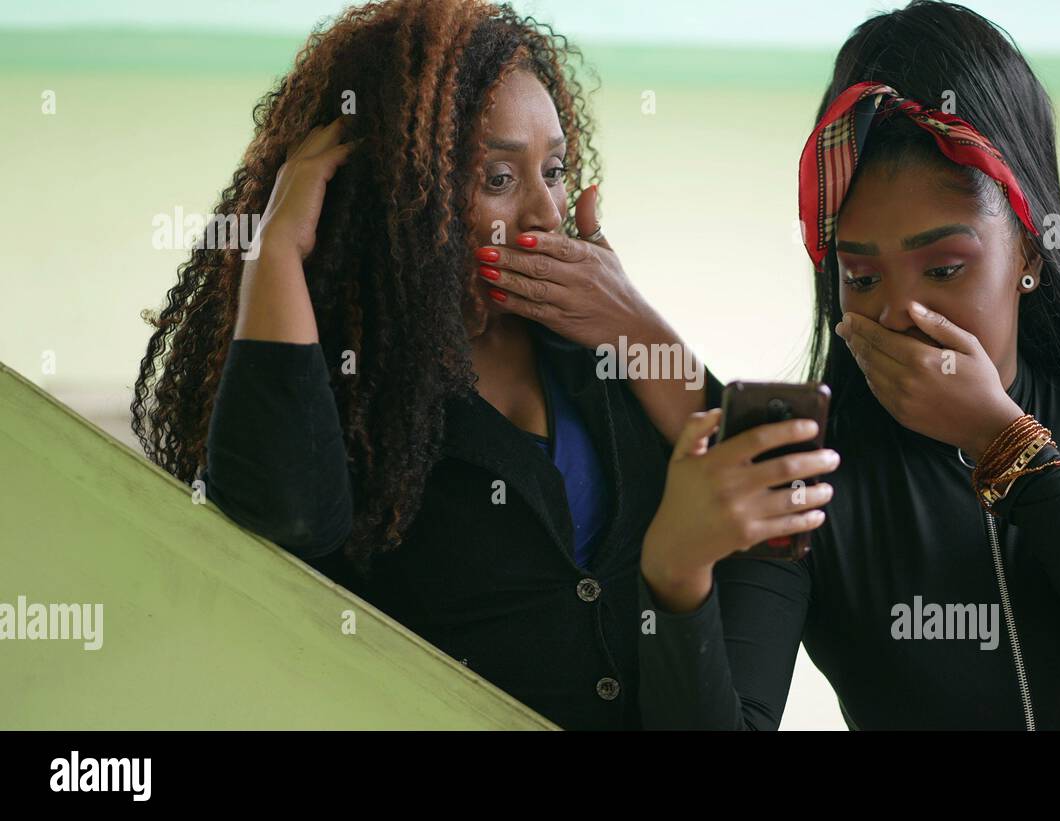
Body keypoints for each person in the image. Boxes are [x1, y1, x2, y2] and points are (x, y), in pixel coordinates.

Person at [131, 0, 828, 730]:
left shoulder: (598, 346)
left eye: (554, 170)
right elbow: (283, 527)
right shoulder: (356, 387)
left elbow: (769, 495)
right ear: (402, 195)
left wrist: (631, 321)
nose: (545, 213)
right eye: (497, 178)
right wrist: (274, 254)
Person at [637, 0, 1060, 730]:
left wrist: (1004, 441)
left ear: (1027, 248)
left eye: (945, 268)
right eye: (861, 278)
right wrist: (676, 576)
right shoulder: (805, 471)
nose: (900, 313)